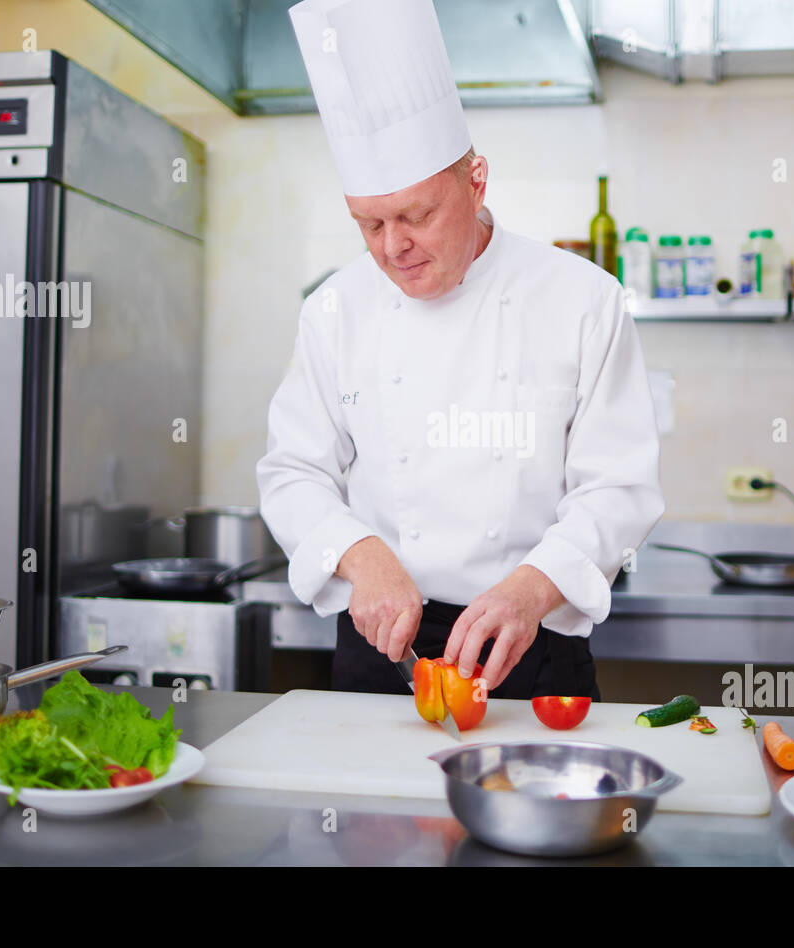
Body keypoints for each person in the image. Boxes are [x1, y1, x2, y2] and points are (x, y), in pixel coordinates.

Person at [258, 0, 663, 700]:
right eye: (370, 224)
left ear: (476, 181)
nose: (393, 247)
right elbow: (292, 472)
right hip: (379, 653)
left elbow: (618, 490)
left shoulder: (583, 300)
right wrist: (362, 555)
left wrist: (534, 589)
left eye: (415, 215)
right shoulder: (332, 310)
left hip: (531, 650)